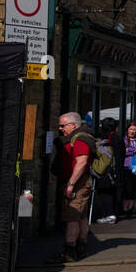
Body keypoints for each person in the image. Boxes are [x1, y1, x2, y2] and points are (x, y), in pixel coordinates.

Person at [48, 112, 94, 262]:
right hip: (80, 181)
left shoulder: (80, 139)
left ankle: (69, 252)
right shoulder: (80, 137)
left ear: (73, 125)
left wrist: (70, 184)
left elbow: (81, 163)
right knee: (81, 216)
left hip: (77, 182)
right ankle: (81, 248)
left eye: (63, 125)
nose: (60, 129)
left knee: (72, 216)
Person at [93, 116, 125, 224]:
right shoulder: (118, 138)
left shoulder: (99, 138)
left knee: (104, 192)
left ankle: (109, 215)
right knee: (113, 192)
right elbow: (122, 155)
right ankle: (113, 214)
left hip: (103, 170)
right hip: (117, 170)